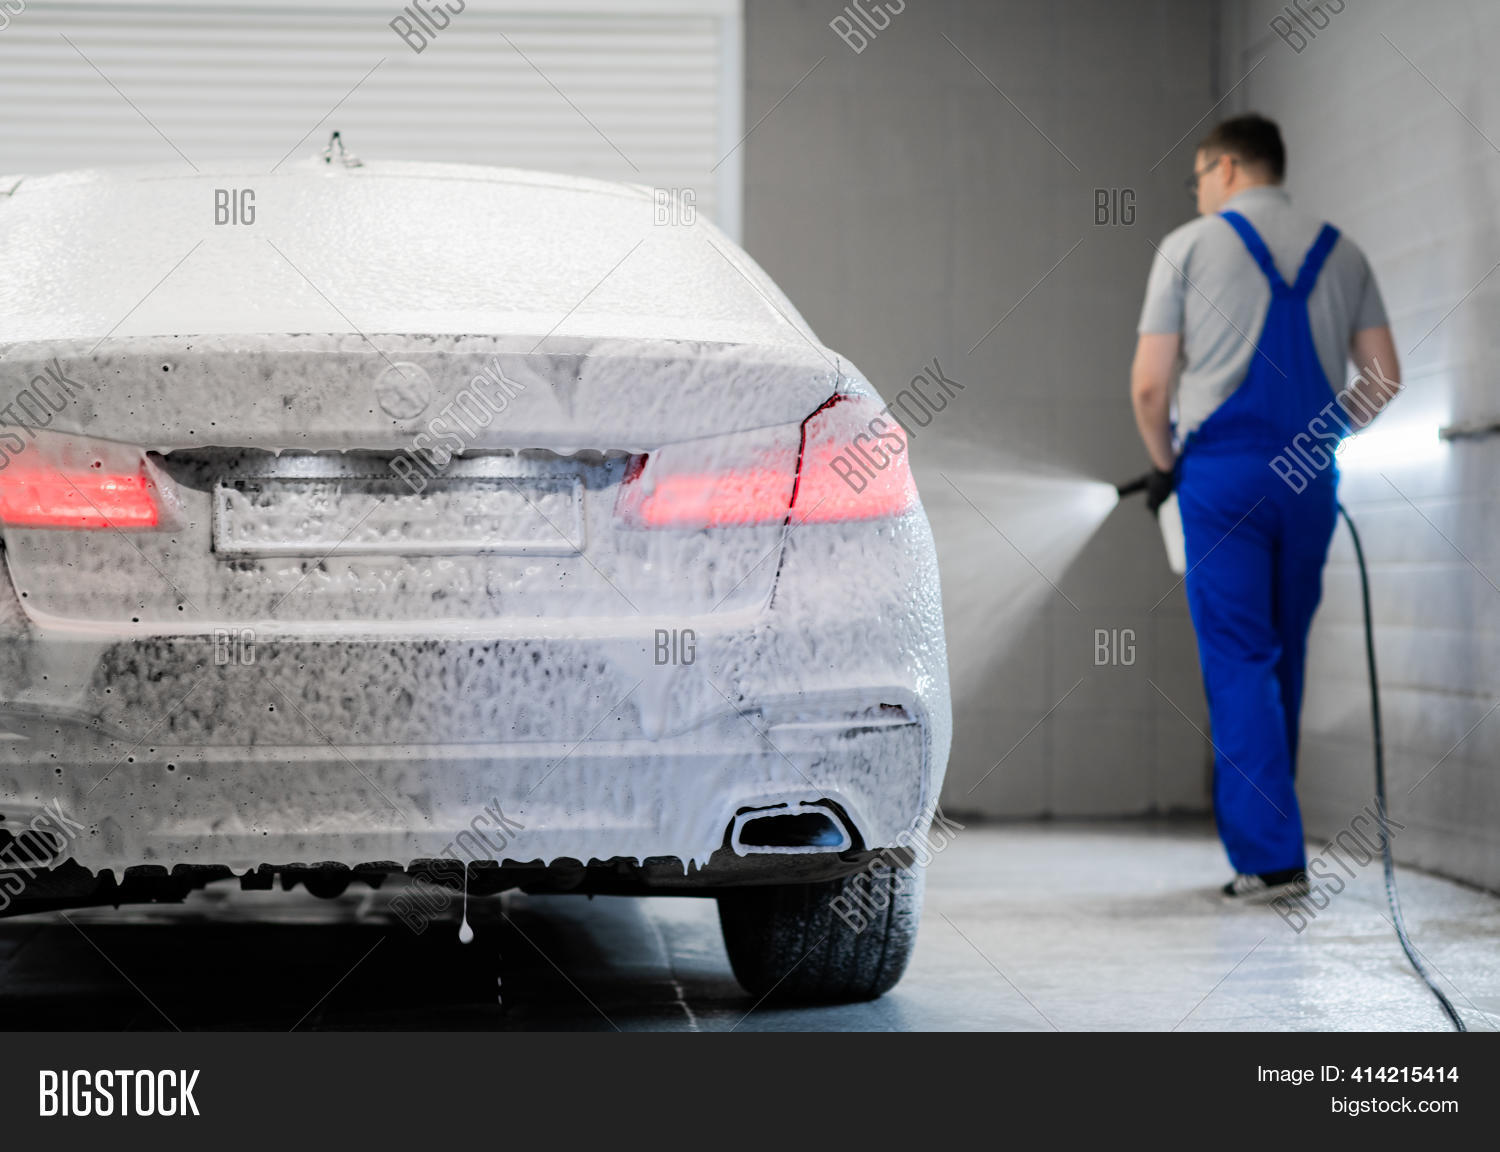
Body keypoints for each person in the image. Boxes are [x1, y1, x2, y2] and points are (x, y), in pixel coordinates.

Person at [1130, 114, 1402, 901]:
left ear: (1223, 169)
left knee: (1239, 659)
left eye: (1198, 178)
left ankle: (1270, 858)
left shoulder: (1188, 246)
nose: (1199, 192)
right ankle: (1274, 840)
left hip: (1222, 480)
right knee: (1284, 651)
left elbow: (1150, 387)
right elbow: (1382, 379)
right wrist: (1322, 433)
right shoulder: (1342, 251)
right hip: (1309, 477)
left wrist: (1162, 465)